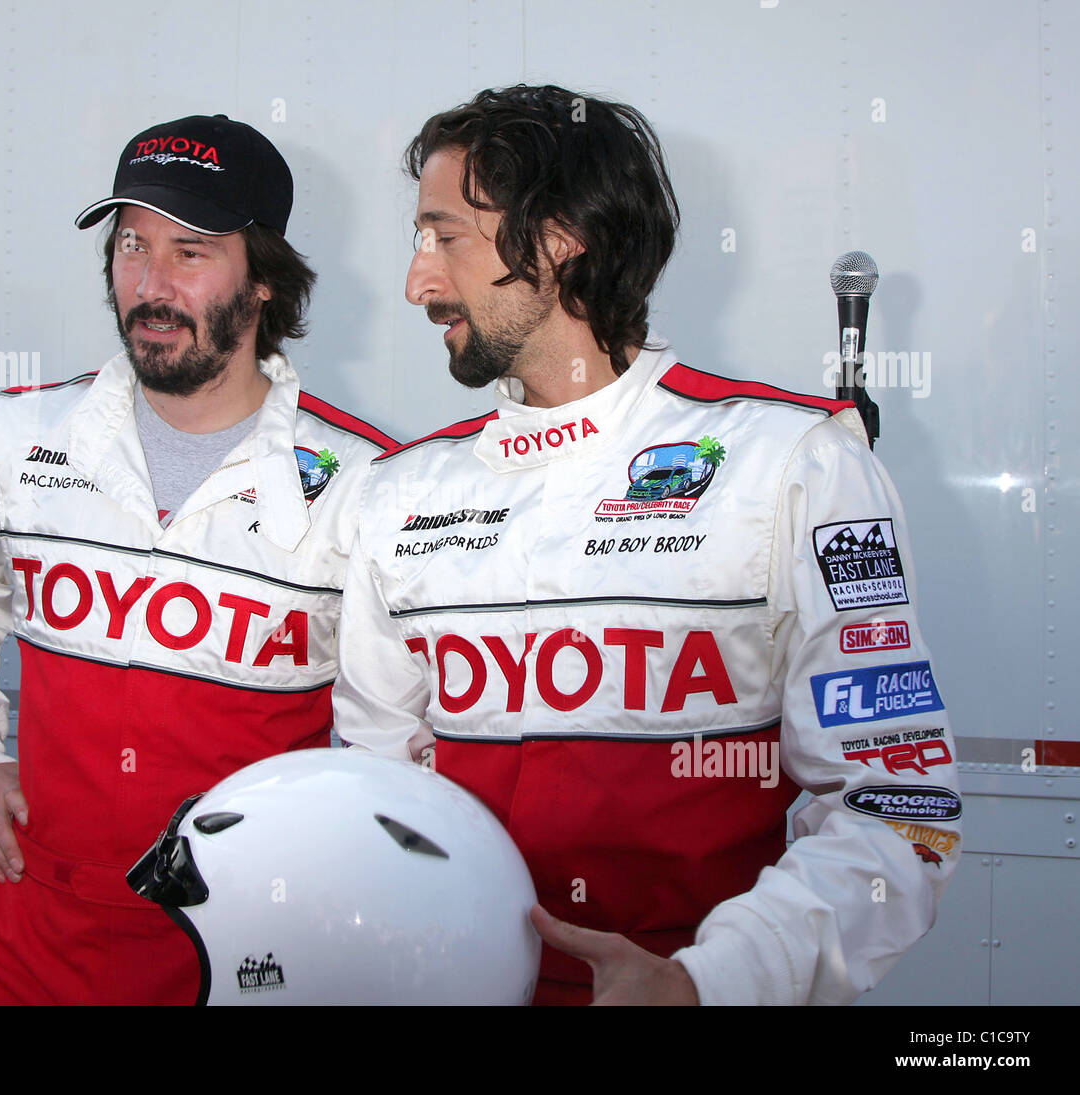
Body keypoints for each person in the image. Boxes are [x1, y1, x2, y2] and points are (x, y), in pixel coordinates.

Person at [331, 85, 959, 1006]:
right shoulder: (399, 491)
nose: (418, 282)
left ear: (558, 238)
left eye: (444, 237)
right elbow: (373, 790)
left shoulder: (793, 462)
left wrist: (703, 983)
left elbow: (898, 809)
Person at [0, 114, 396, 1004]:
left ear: (263, 284)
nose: (150, 282)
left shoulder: (365, 483)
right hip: (25, 941)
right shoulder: (25, 433)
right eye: (131, 245)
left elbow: (389, 742)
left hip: (241, 955)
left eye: (192, 251)